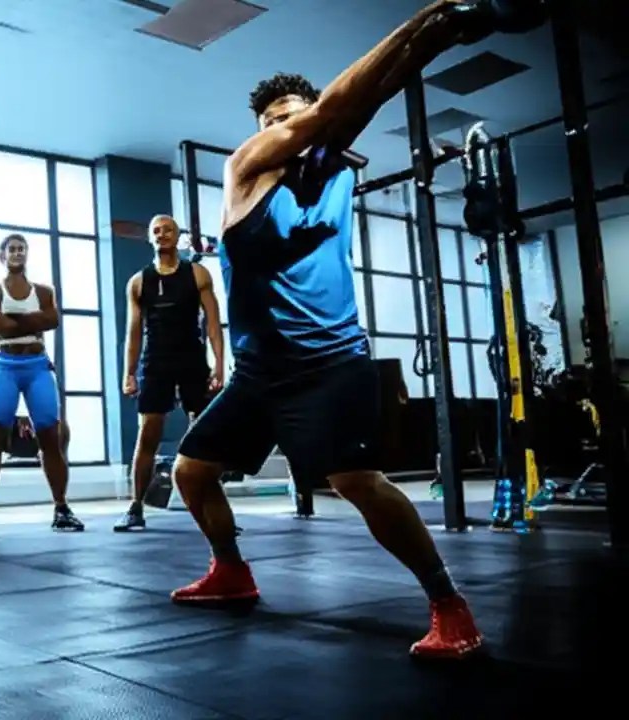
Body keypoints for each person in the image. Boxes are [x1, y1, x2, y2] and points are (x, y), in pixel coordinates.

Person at [166, 0, 544, 658]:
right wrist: (440, 14)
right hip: (259, 371)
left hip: (330, 362)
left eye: (294, 117)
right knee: (192, 472)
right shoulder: (246, 170)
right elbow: (337, 108)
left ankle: (447, 604)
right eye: (274, 122)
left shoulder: (334, 166)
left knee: (356, 482)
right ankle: (231, 569)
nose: (286, 129)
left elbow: (355, 106)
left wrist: (445, 26)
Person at [115, 215, 224, 532]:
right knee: (148, 432)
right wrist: (129, 373)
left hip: (191, 357)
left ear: (178, 237)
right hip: (156, 361)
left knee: (202, 434)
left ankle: (213, 508)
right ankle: (136, 506)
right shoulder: (139, 282)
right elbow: (133, 332)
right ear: (150, 238)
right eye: (157, 231)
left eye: (168, 230)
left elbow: (213, 324)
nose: (162, 235)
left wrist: (218, 364)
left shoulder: (197, 273)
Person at [0, 233, 84, 536]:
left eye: (21, 249)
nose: (17, 253)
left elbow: (53, 320)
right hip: (7, 366)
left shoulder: (44, 291)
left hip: (37, 365)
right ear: (2, 255)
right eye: (11, 249)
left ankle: (61, 508)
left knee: (52, 436)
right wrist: (32, 320)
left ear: (27, 254)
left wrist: (16, 318)